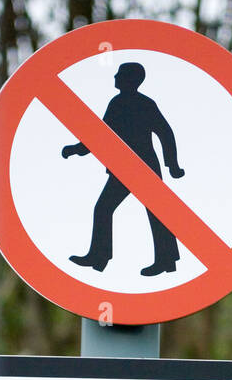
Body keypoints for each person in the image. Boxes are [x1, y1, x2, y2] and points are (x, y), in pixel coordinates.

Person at [62, 61, 185, 276]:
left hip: (144, 167)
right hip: (122, 168)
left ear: (129, 79)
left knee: (156, 213)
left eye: (119, 74)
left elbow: (165, 132)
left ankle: (165, 260)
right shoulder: (116, 103)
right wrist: (77, 149)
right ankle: (99, 257)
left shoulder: (145, 104)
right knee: (104, 208)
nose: (115, 78)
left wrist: (172, 165)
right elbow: (100, 134)